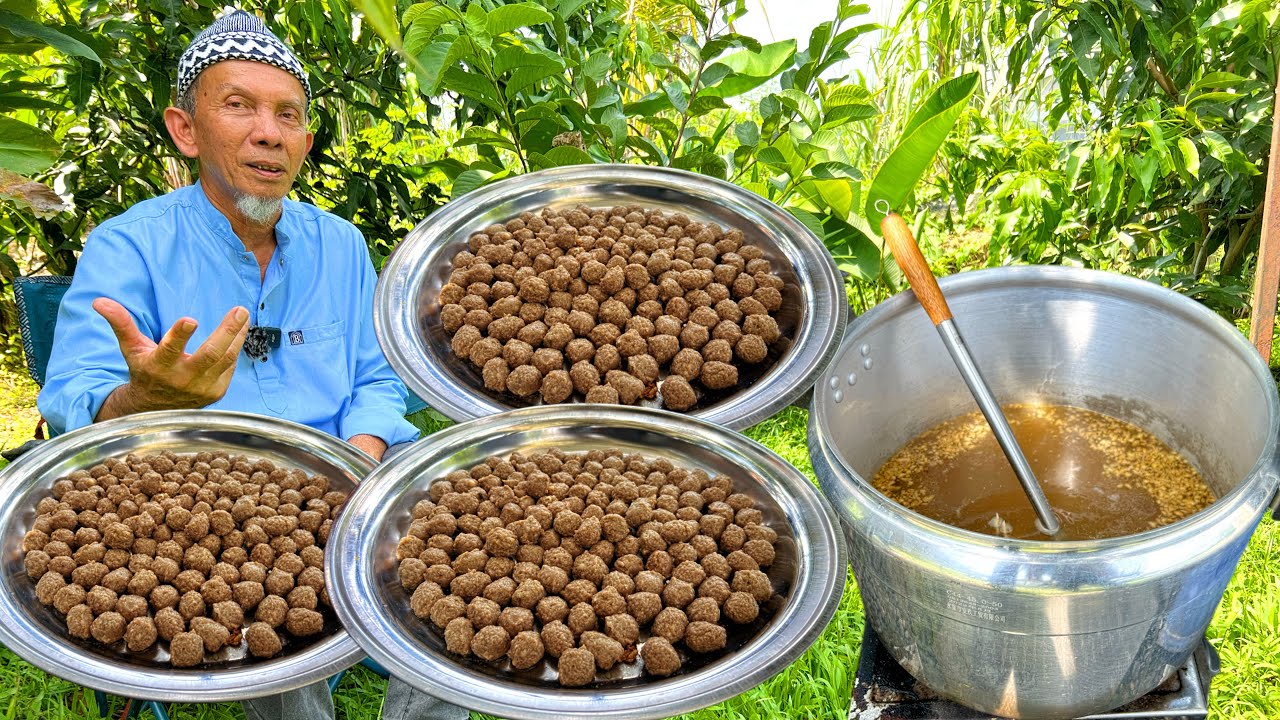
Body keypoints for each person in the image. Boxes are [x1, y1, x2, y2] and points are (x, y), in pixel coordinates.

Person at [37, 10, 469, 720]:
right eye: (238, 106)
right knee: (264, 582)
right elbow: (72, 394)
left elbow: (378, 377)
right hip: (200, 500)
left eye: (288, 114)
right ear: (186, 129)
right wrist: (143, 401)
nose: (269, 131)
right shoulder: (129, 247)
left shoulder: (341, 244)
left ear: (303, 138)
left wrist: (356, 464)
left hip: (347, 470)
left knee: (463, 544)